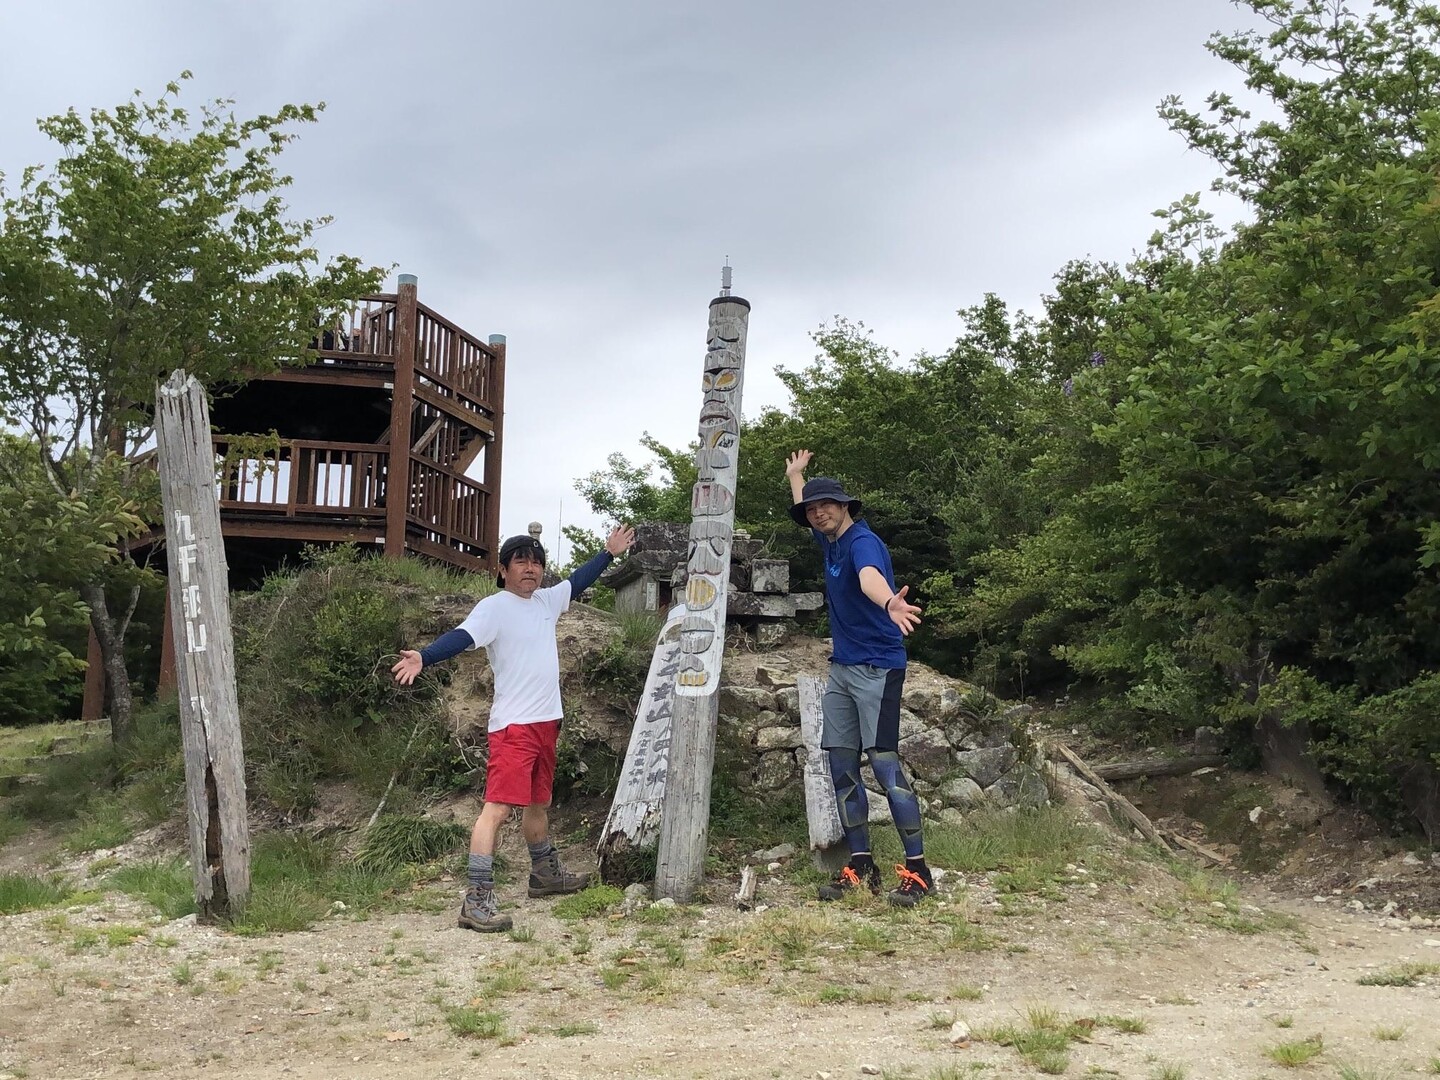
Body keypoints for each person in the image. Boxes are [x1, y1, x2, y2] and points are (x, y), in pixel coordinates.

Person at [392, 526, 635, 932]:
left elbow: (577, 581)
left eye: (537, 562)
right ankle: (476, 899)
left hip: (546, 724)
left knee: (539, 802)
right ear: (503, 569)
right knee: (498, 810)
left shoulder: (546, 601)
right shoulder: (494, 607)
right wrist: (424, 656)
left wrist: (608, 554)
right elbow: (461, 637)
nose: (531, 568)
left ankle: (543, 874)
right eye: (521, 561)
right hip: (513, 728)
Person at [785, 450, 932, 907]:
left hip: (878, 668)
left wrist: (890, 603)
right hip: (843, 671)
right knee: (841, 766)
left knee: (885, 766)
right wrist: (797, 477)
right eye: (811, 508)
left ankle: (920, 872)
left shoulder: (863, 543)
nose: (818, 513)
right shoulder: (829, 541)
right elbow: (810, 515)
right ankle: (861, 865)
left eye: (825, 504)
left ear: (846, 505)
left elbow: (869, 578)